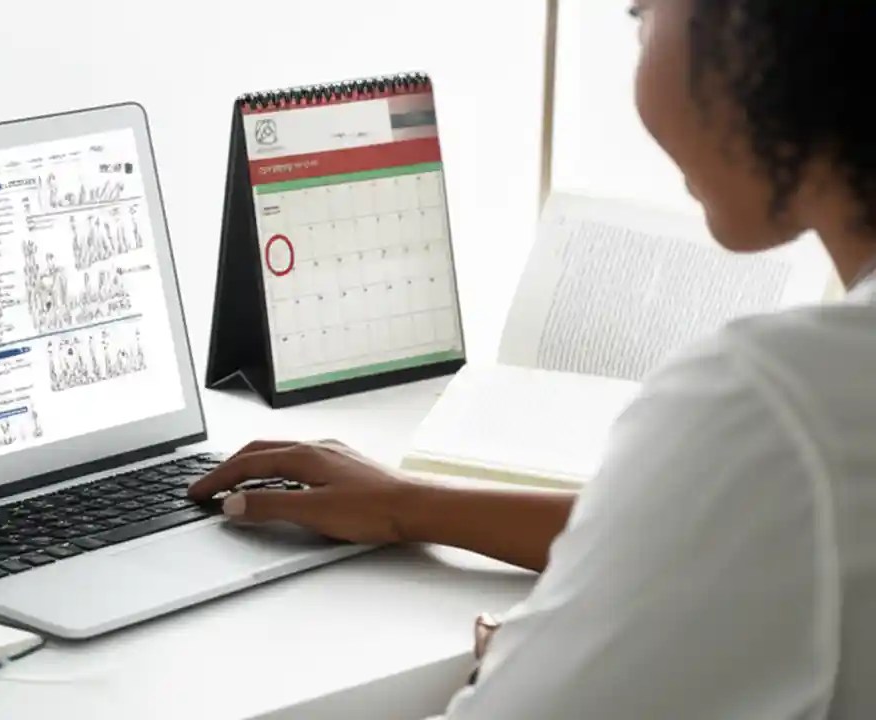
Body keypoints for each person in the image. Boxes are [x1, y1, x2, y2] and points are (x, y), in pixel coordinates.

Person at [188, 1, 876, 717]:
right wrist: (412, 505)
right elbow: (728, 526)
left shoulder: (772, 409)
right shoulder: (802, 430)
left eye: (642, 15)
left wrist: (525, 668)